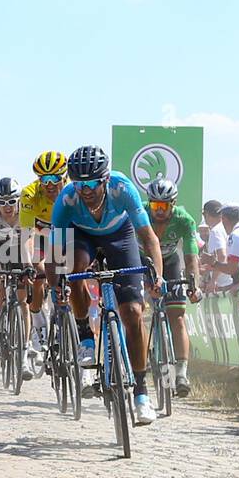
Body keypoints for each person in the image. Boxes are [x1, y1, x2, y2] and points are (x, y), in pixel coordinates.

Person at [49, 145, 165, 424]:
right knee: (74, 270)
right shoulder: (67, 200)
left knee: (134, 315)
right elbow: (54, 252)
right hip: (83, 237)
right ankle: (85, 335)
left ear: (104, 179)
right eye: (78, 184)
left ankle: (141, 393)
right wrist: (57, 288)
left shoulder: (122, 188)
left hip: (119, 236)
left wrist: (157, 276)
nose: (85, 190)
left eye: (91, 183)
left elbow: (149, 239)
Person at [143, 178, 203, 396]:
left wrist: (194, 284)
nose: (159, 210)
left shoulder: (184, 220)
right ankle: (139, 356)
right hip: (141, 262)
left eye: (164, 205)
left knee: (177, 316)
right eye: (155, 205)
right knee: (135, 308)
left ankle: (181, 373)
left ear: (173, 204)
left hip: (169, 262)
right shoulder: (140, 213)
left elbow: (190, 255)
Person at [19, 151, 67, 365]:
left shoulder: (72, 192)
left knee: (75, 277)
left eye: (54, 178)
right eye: (43, 179)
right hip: (40, 236)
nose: (49, 184)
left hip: (68, 235)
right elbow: (26, 234)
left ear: (64, 177)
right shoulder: (29, 194)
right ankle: (38, 319)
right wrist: (28, 263)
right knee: (40, 275)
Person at [0, 176, 36, 379]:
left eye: (11, 201)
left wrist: (28, 267)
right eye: (2, 202)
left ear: (18, 200)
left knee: (23, 300)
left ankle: (24, 354)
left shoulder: (25, 213)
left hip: (20, 250)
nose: (6, 206)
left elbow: (28, 242)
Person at [198, 199, 230, 293]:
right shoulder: (226, 228)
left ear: (207, 214)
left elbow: (222, 257)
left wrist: (213, 281)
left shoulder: (215, 231)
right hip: (230, 281)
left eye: (204, 215)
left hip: (223, 284)